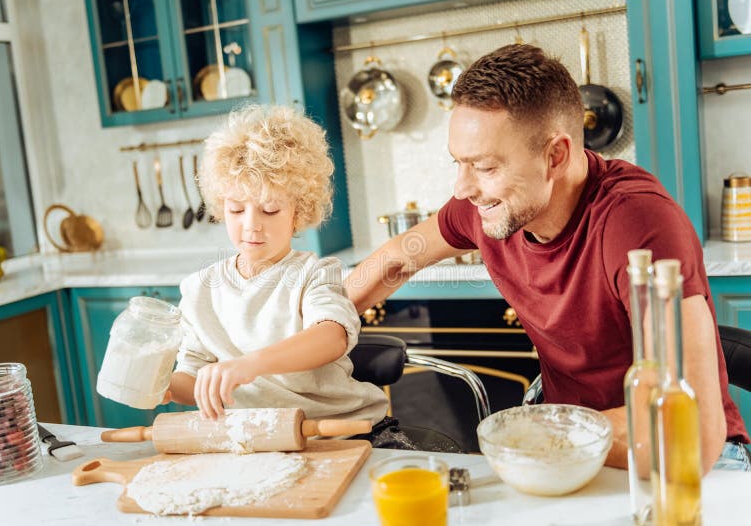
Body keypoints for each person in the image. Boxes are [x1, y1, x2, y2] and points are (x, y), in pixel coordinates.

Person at [344, 44, 750, 472]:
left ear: (555, 155)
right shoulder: (489, 206)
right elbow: (396, 259)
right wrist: (312, 329)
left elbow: (694, 429)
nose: (463, 188)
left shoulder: (636, 224)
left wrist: (536, 433)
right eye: (458, 163)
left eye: (484, 167)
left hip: (683, 457)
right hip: (567, 441)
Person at [165, 105, 391, 439]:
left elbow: (332, 336)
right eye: (237, 209)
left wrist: (251, 364)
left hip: (343, 431)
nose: (251, 225)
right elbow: (194, 379)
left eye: (270, 209)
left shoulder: (315, 273)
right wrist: (160, 387)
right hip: (261, 438)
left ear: (298, 213)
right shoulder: (200, 289)